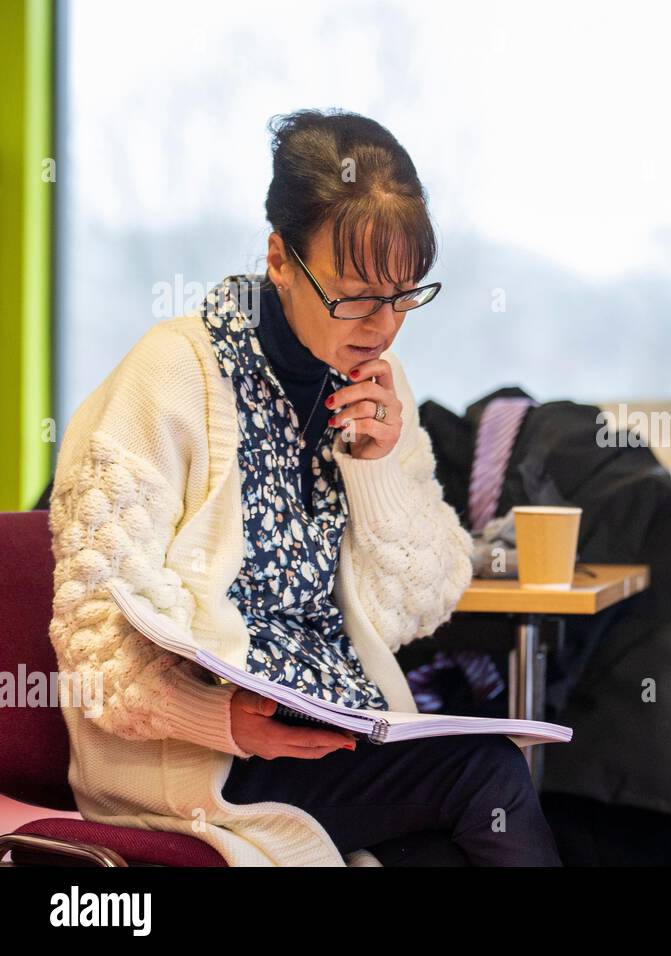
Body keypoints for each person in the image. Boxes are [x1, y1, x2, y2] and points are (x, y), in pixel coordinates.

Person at [46, 109, 561, 866]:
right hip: (198, 756)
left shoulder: (372, 386)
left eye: (404, 295)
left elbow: (421, 602)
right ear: (280, 260)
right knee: (490, 779)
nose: (382, 326)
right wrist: (220, 718)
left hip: (325, 730)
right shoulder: (171, 376)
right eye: (354, 295)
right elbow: (92, 642)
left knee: (454, 839)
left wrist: (378, 467)